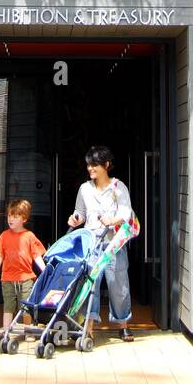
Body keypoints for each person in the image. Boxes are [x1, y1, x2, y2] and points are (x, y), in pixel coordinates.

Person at [68, 146, 135, 341]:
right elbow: (79, 213)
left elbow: (126, 213)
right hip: (92, 244)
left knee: (118, 285)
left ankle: (123, 324)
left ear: (106, 165)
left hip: (114, 244)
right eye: (89, 165)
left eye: (94, 164)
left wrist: (111, 220)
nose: (90, 168)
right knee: (90, 286)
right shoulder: (84, 188)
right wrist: (75, 219)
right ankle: (88, 328)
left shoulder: (118, 187)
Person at [0, 199, 47, 330]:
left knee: (26, 307)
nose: (11, 219)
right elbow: (0, 255)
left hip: (26, 278)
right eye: (10, 215)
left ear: (24, 219)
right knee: (8, 306)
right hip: (7, 278)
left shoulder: (29, 236)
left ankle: (28, 331)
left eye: (15, 217)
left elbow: (36, 255)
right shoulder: (4, 236)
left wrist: (45, 271)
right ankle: (6, 332)